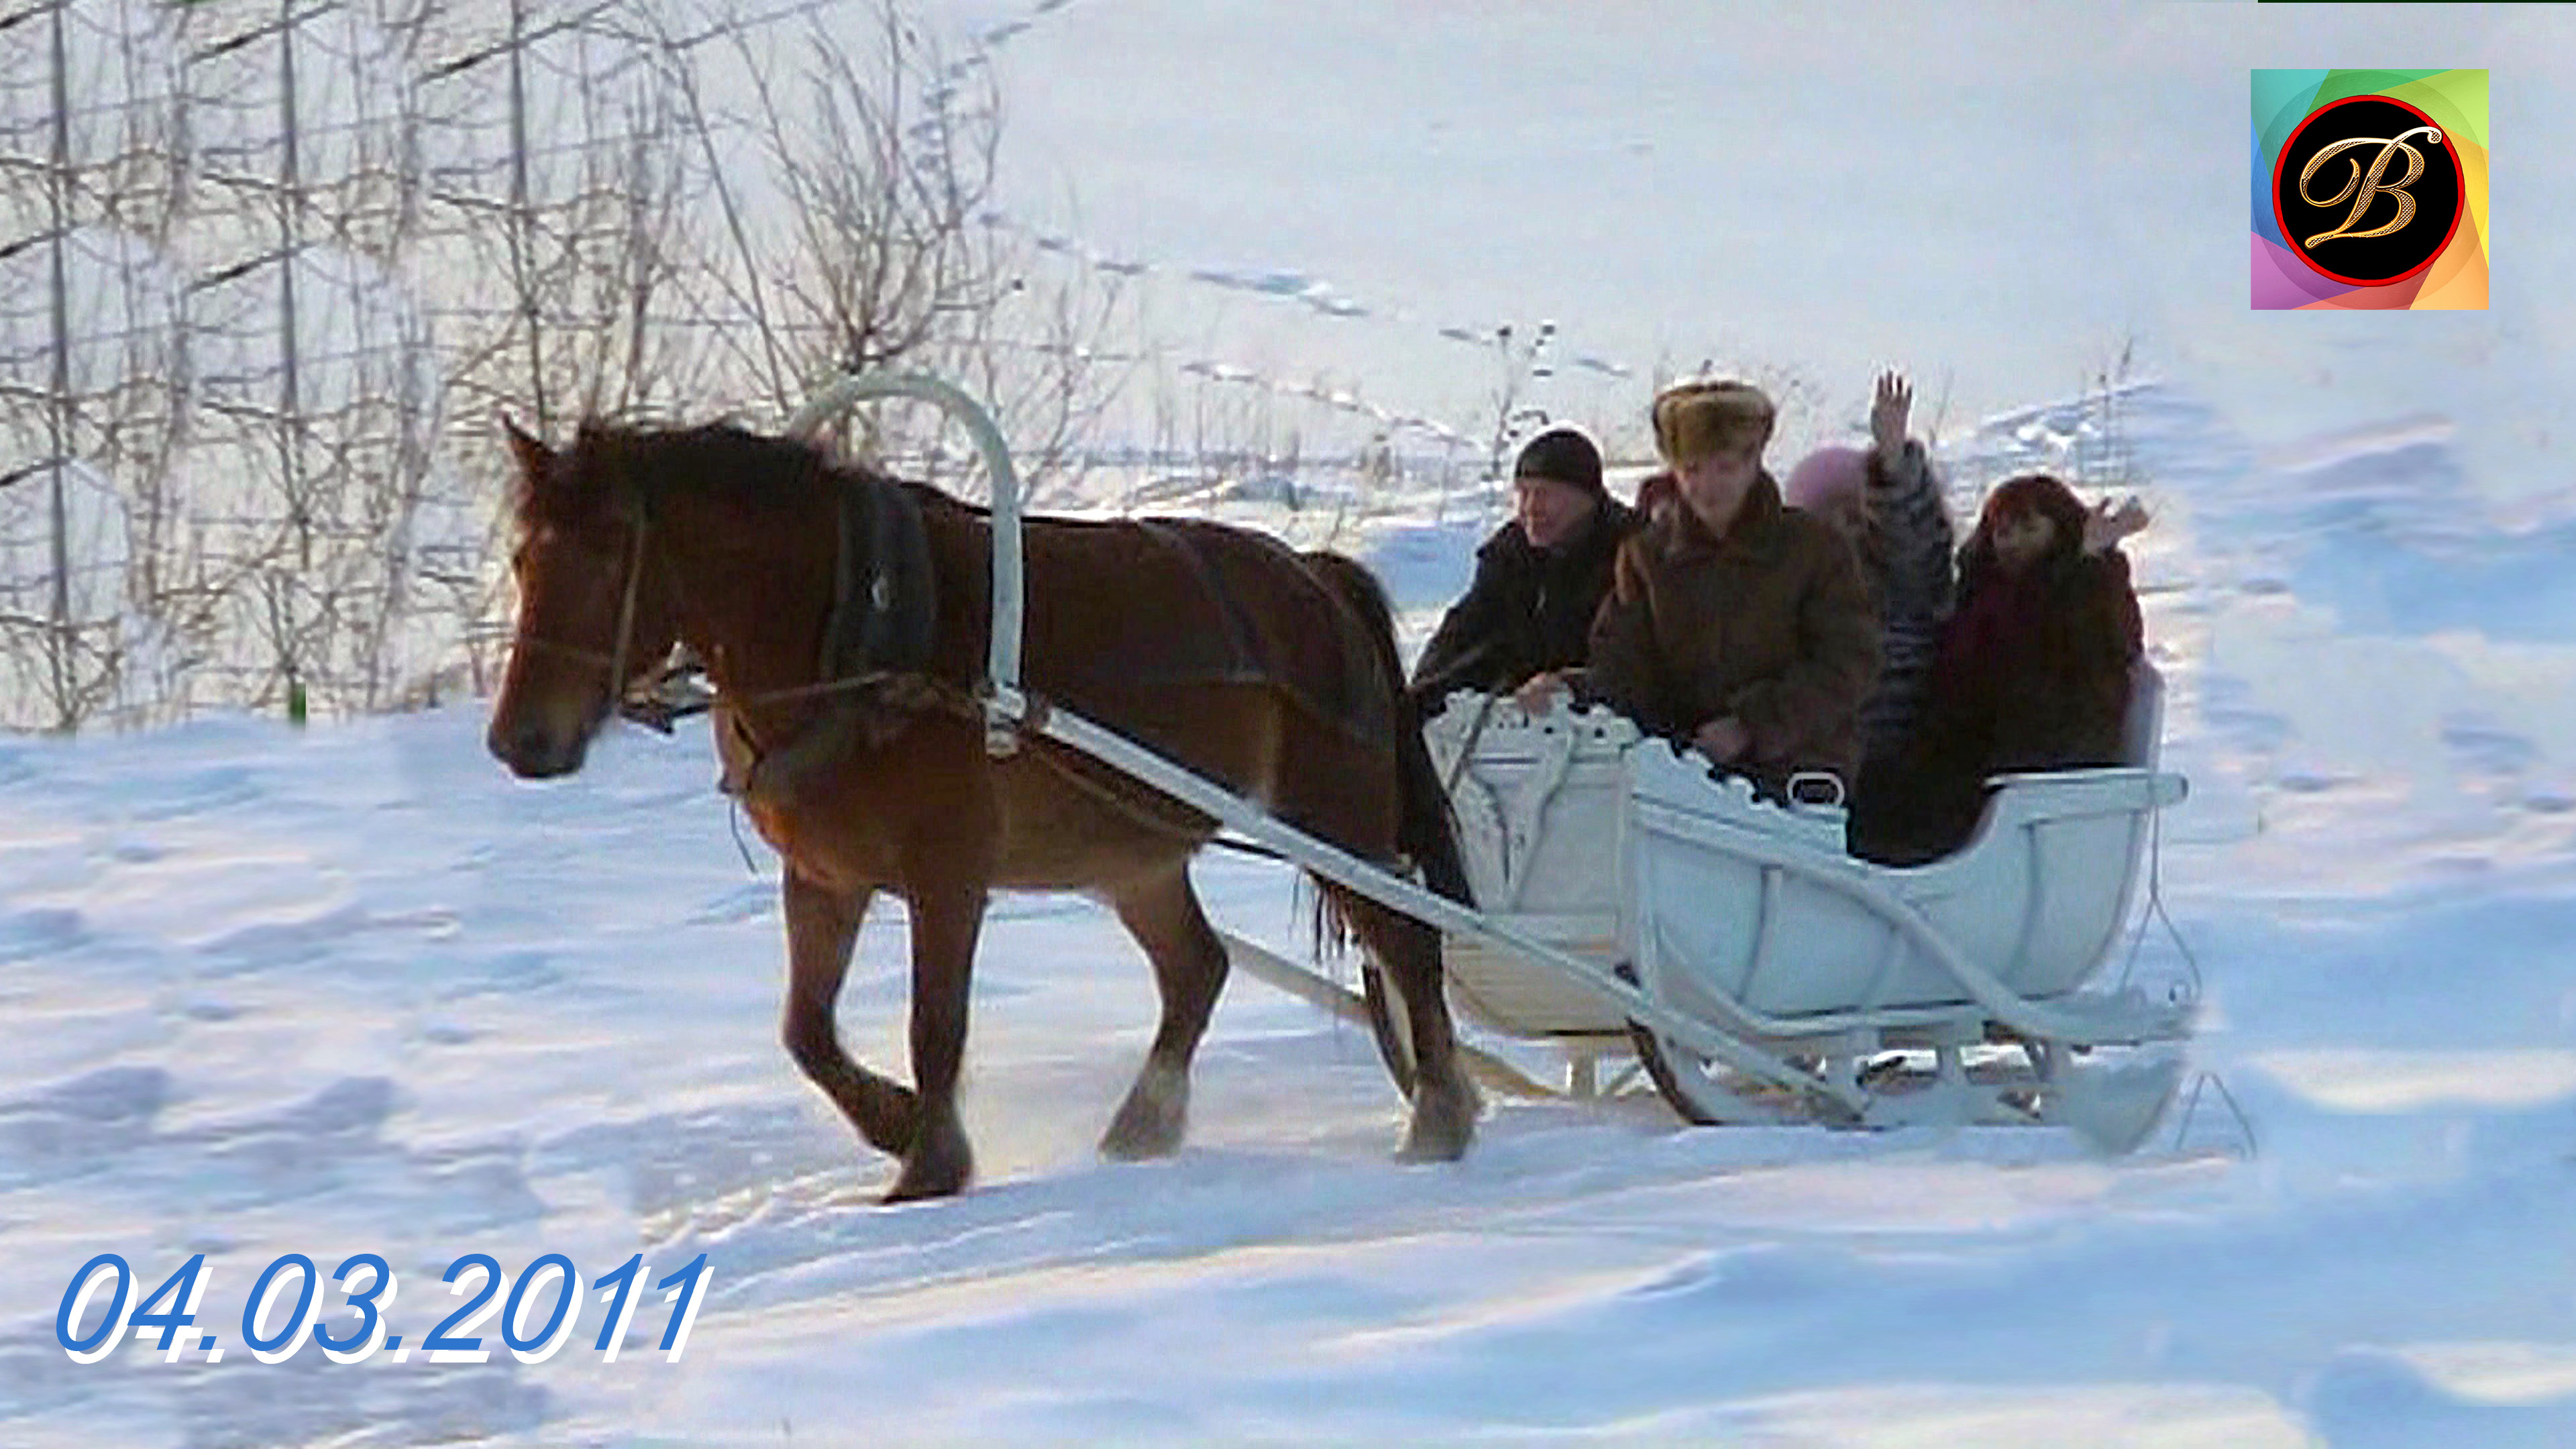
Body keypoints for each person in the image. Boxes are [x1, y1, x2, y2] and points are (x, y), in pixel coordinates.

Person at [1585, 379, 1879, 798]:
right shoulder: (1647, 558)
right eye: (1692, 470)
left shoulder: (1814, 549)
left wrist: (1753, 726)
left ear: (1753, 462)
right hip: (1679, 773)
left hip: (1797, 773)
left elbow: (1850, 663)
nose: (1708, 486)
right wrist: (1570, 688)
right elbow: (1621, 666)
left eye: (1724, 468)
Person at [1857, 471, 2147, 864]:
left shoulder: (2089, 584)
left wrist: (2090, 562)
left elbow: (2098, 651)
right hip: (1968, 752)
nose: (2012, 542)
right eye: (2003, 531)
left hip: (2038, 760)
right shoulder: (1982, 595)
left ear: (2060, 529)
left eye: (2029, 528)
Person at [1408, 426, 1642, 712]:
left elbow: (1640, 667)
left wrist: (1573, 686)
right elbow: (1464, 636)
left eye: (1545, 495)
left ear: (1587, 497)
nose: (1531, 509)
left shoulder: (1635, 554)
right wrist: (1420, 698)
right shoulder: (1510, 555)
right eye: (1523, 494)